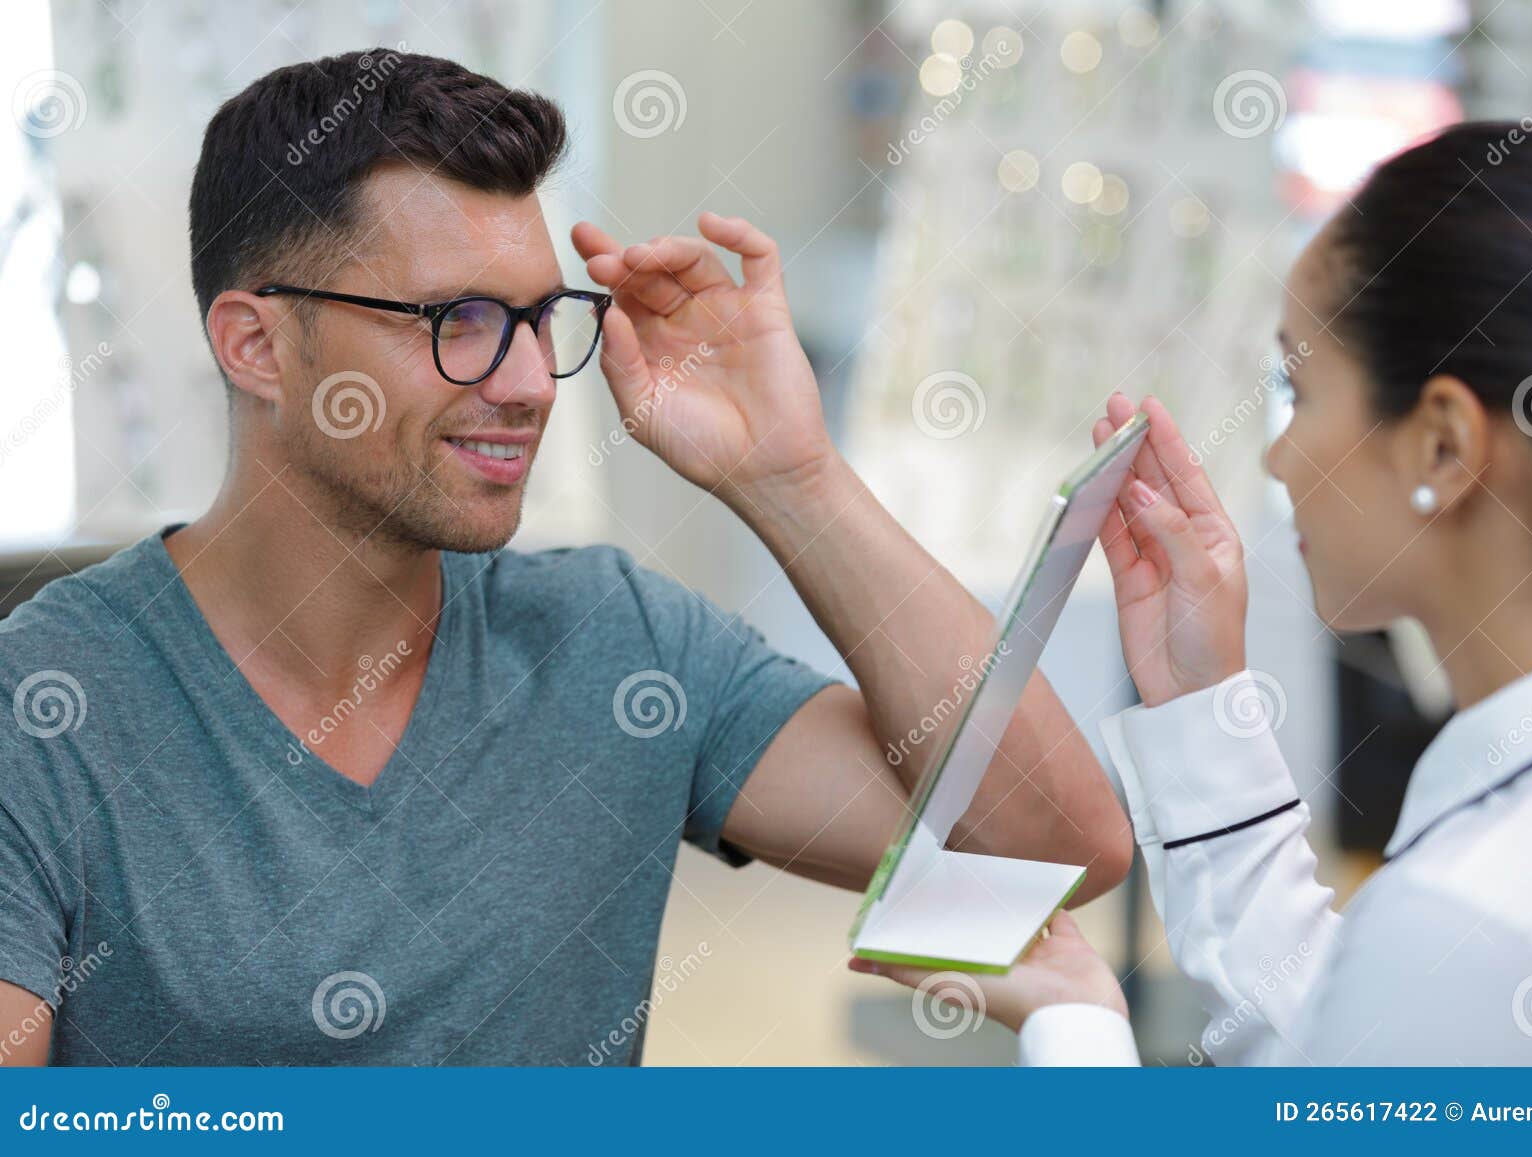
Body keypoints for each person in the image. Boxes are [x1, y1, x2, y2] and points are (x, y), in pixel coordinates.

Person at [0, 49, 1134, 1065]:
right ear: (256, 344)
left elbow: (1051, 848)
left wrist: (790, 476)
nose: (531, 382)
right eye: (455, 319)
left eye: (542, 317)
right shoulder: (45, 707)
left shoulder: (615, 642)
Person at [854, 122, 1532, 1067]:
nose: (1278, 456)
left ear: (1443, 446)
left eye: (1300, 387)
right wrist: (1198, 699)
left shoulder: (1475, 925)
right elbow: (1349, 1049)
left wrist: (1072, 1020)